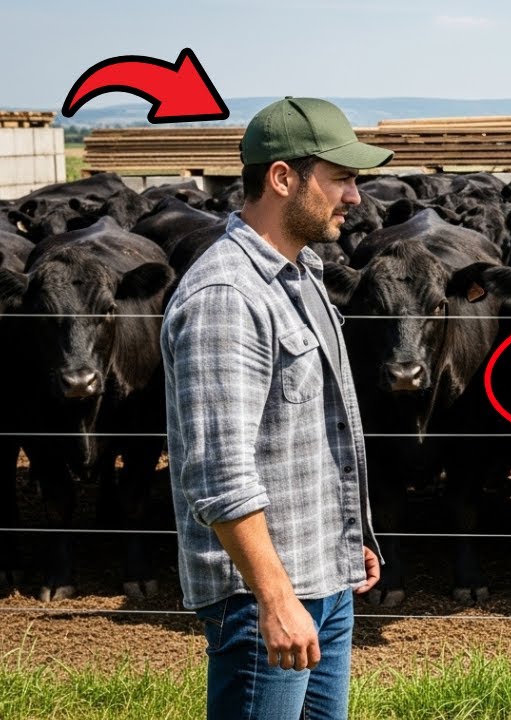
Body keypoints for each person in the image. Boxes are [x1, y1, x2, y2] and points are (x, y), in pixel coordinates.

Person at [162, 97, 392, 719]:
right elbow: (220, 473)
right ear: (283, 177)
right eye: (341, 179)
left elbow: (312, 430)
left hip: (324, 576)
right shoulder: (226, 295)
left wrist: (346, 536)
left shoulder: (302, 275)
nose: (355, 197)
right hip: (263, 595)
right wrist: (274, 597)